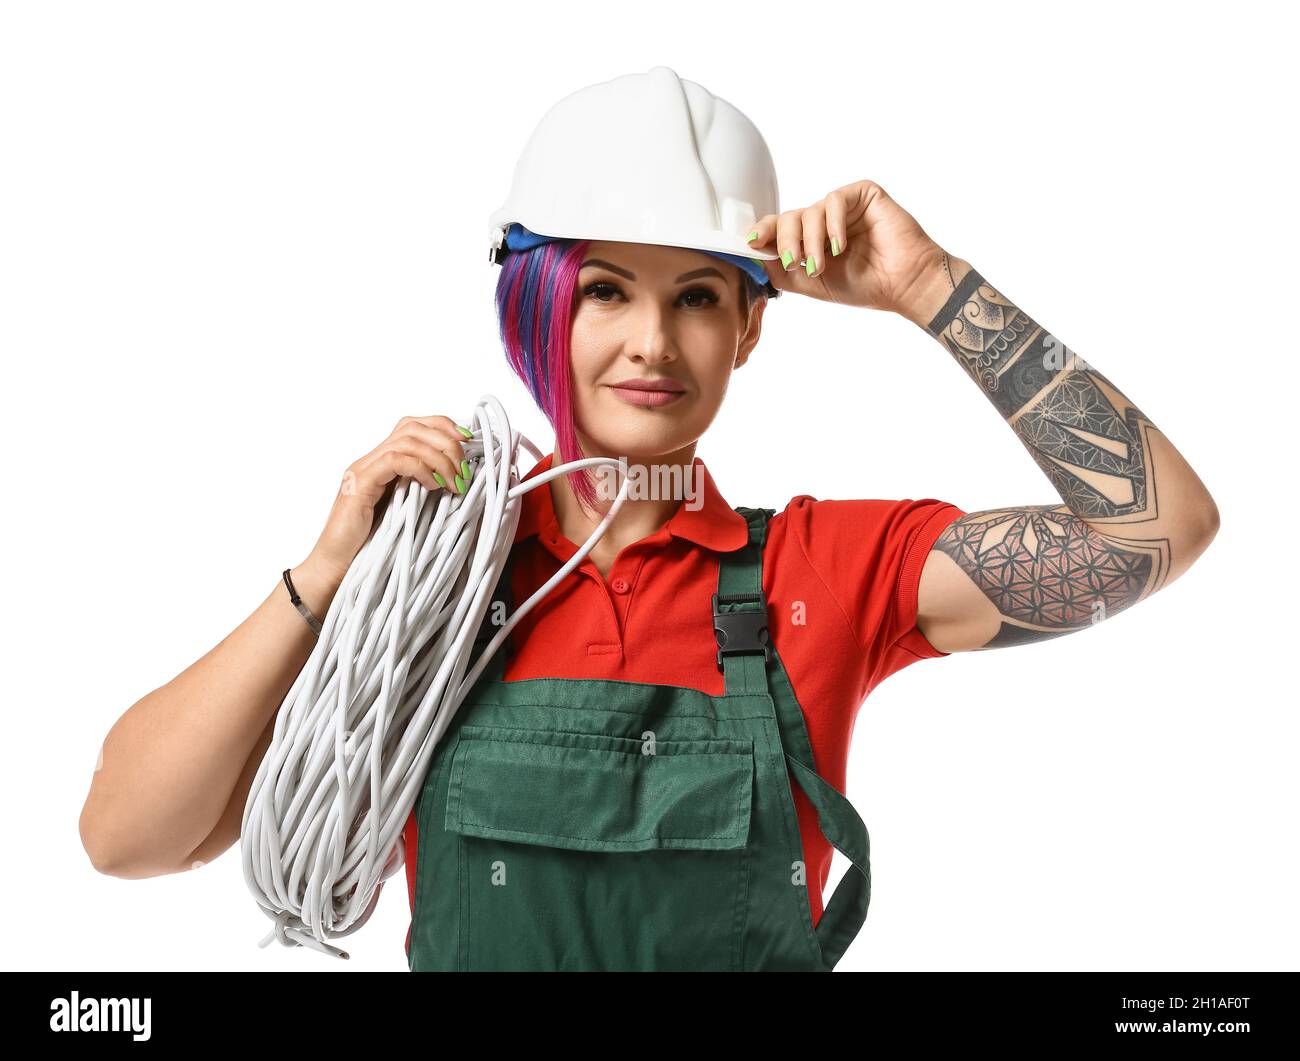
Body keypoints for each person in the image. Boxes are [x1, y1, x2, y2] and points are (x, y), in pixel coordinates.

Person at [79, 67, 1219, 971]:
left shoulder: (828, 565)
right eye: (606, 289)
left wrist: (930, 287)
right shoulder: (416, 590)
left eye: (698, 297)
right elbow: (126, 837)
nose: (652, 344)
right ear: (531, 301)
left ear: (749, 328)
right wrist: (333, 568)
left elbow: (1154, 529)